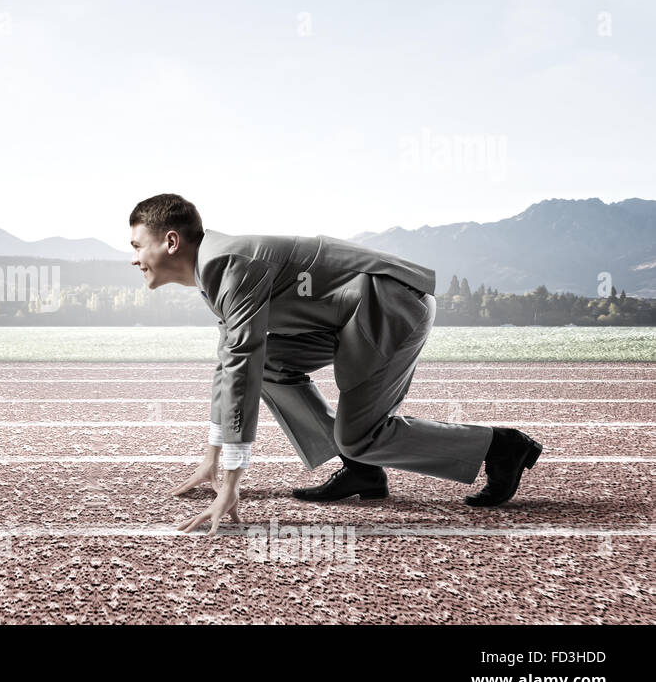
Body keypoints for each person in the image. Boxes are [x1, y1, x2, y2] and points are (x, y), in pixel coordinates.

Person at [127, 193, 542, 534]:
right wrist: (212, 457)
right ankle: (362, 469)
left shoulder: (228, 264)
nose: (133, 258)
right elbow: (231, 363)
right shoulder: (215, 269)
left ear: (170, 241)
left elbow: (241, 364)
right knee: (270, 364)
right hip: (347, 317)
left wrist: (231, 483)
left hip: (388, 307)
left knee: (360, 435)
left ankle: (500, 446)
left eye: (136, 245)